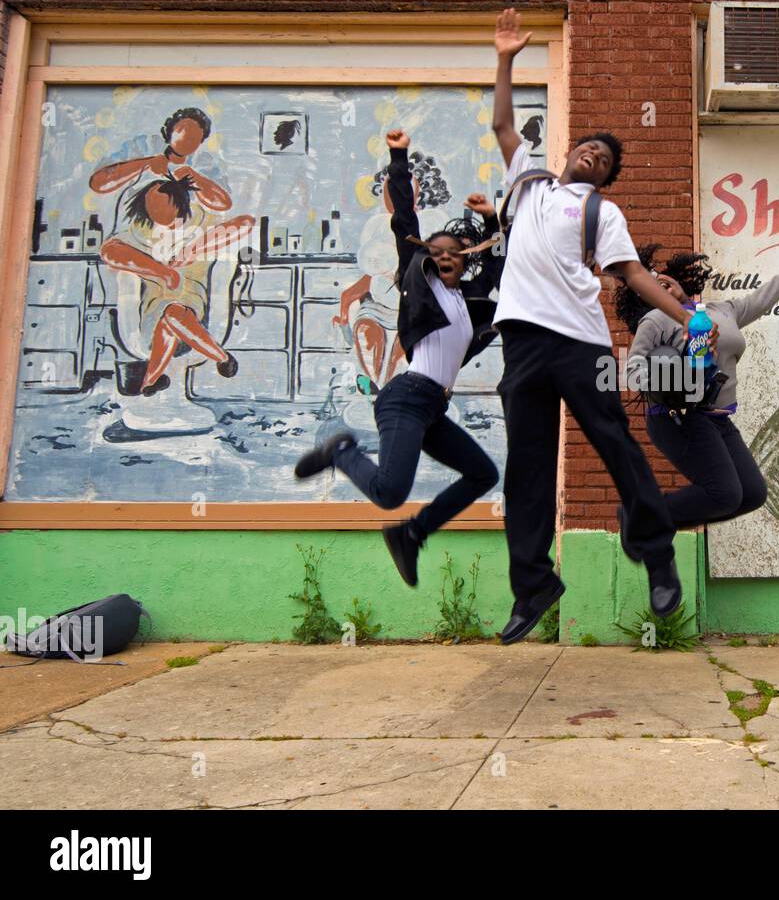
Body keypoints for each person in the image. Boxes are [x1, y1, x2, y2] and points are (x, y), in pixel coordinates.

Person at [491, 8, 701, 644]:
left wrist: (690, 317)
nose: (594, 153)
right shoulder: (526, 184)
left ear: (607, 177)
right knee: (526, 467)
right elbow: (502, 122)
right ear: (567, 153)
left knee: (616, 445)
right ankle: (534, 585)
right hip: (522, 342)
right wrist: (505, 57)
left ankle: (657, 555)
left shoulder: (601, 213)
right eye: (588, 146)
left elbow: (633, 276)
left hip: (580, 343)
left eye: (605, 157)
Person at [293, 129, 503, 587]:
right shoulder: (418, 280)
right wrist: (398, 155)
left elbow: (494, 266)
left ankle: (412, 533)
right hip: (405, 398)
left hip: (431, 408)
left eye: (454, 253)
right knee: (389, 492)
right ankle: (342, 451)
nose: (444, 256)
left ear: (463, 262)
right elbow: (404, 215)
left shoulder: (468, 300)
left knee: (483, 473)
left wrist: (489, 223)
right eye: (436, 250)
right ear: (427, 256)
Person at [617, 244, 779, 529]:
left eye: (662, 277)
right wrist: (667, 383)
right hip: (678, 417)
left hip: (717, 416)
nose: (659, 282)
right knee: (725, 494)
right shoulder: (654, 320)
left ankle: (651, 521)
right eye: (651, 283)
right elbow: (633, 370)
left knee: (752, 494)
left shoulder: (721, 310)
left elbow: (761, 300)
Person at [90, 107, 254, 395]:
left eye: (196, 138)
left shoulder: (198, 212)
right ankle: (216, 358)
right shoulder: (140, 223)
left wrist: (192, 250)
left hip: (189, 284)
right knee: (169, 318)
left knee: (174, 315)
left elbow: (230, 210)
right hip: (154, 288)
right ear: (169, 129)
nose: (188, 142)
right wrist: (144, 164)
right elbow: (100, 185)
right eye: (183, 132)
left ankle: (153, 379)